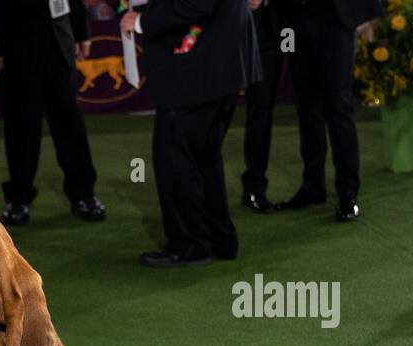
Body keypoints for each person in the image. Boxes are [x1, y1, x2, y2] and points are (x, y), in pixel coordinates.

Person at [123, 0, 259, 266]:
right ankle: (219, 238)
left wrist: (141, 22)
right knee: (204, 158)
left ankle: (189, 244)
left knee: (176, 160)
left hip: (197, 68)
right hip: (215, 65)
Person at [0, 0, 107, 224]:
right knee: (21, 128)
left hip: (58, 44)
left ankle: (83, 194)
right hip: (16, 49)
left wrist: (82, 32)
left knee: (70, 124)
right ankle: (18, 198)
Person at [275, 0, 381, 220]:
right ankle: (313, 186)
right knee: (306, 107)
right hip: (296, 17)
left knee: (338, 106)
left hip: (336, 18)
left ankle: (348, 192)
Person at [240, 0, 282, 212]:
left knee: (261, 114)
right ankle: (199, 189)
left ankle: (255, 187)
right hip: (223, 35)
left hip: (267, 35)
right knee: (212, 117)